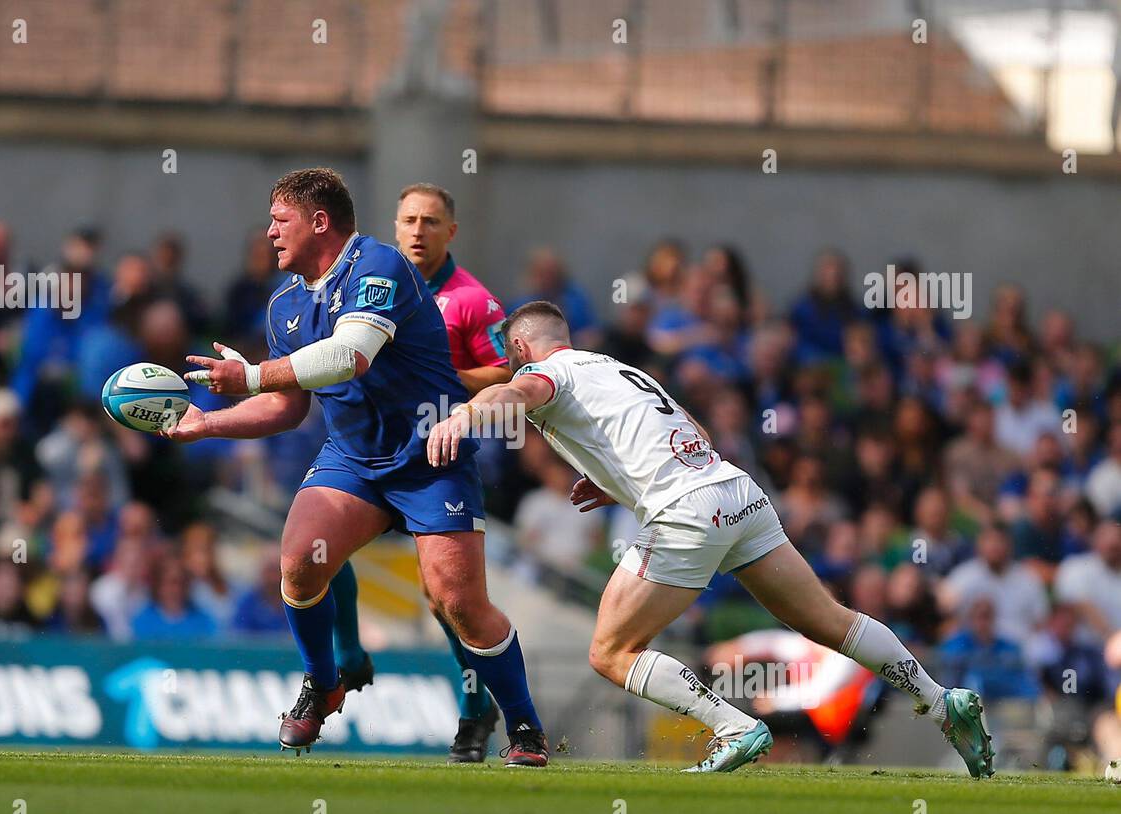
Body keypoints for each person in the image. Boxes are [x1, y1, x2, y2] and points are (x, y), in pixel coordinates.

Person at [427, 301, 995, 777]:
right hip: (734, 490)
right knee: (830, 619)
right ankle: (942, 701)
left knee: (609, 651)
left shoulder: (546, 374)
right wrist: (614, 482)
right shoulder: (617, 368)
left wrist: (464, 417)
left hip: (686, 512)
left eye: (509, 356)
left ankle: (736, 727)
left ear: (522, 350)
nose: (506, 366)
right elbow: (694, 431)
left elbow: (514, 398)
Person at [167, 168, 548, 766]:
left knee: (458, 603)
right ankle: (323, 681)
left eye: (279, 220)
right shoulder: (285, 304)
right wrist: (208, 421)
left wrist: (250, 374)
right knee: (298, 563)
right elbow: (288, 408)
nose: (268, 233)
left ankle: (524, 726)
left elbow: (349, 356)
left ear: (319, 222)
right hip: (353, 459)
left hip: (432, 454)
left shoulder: (378, 266)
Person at [326, 182, 513, 763]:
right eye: (409, 219)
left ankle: (477, 701)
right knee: (317, 549)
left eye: (431, 221)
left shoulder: (472, 301)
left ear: (450, 232)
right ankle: (349, 657)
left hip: (433, 456)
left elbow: (507, 370)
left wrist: (441, 374)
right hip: (367, 449)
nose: (417, 231)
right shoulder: (365, 281)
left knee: (443, 599)